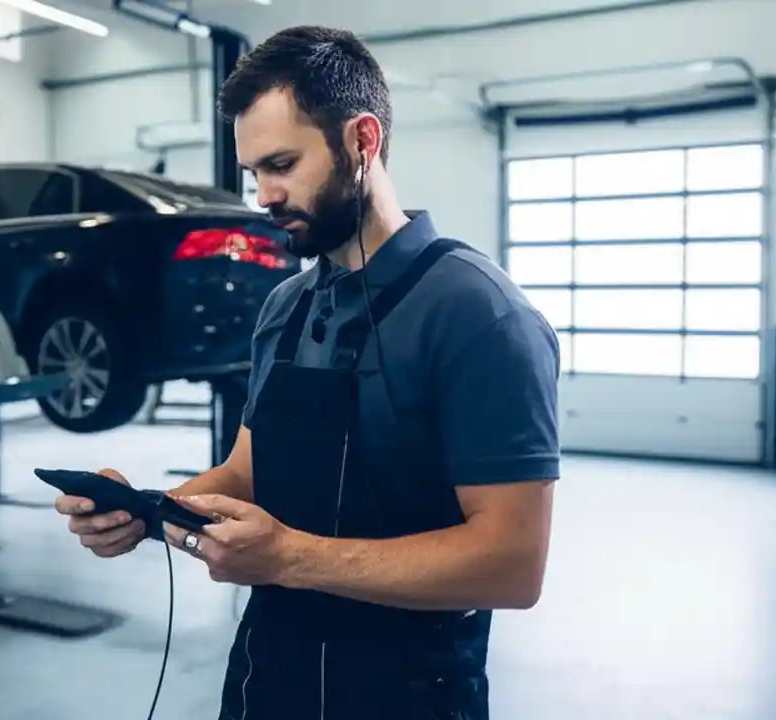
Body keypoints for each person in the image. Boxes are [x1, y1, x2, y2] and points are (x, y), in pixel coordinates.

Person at [56, 25, 559, 720]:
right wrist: (143, 513)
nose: (263, 196)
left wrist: (289, 557)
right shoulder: (286, 307)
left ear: (363, 141)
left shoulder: (479, 315)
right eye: (253, 173)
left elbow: (512, 561)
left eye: (282, 165)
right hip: (267, 682)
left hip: (410, 697)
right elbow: (245, 472)